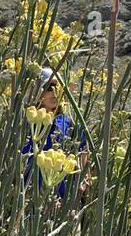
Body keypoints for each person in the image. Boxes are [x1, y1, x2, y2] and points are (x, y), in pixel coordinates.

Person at [22, 66, 88, 200]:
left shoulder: (70, 124)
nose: (54, 92)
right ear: (37, 91)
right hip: (30, 198)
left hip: (62, 199)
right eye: (49, 88)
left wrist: (79, 187)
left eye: (58, 88)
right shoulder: (25, 125)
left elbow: (83, 157)